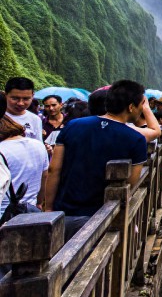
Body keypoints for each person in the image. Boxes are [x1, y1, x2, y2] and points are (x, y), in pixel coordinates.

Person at [45, 80, 149, 240]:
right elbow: (130, 184)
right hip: (101, 219)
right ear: (131, 107)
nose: (142, 109)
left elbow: (54, 170)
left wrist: (49, 209)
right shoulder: (136, 139)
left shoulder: (73, 125)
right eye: (142, 104)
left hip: (63, 213)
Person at [0, 97, 49, 216]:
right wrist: (39, 203)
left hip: (4, 217)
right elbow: (44, 177)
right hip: (28, 213)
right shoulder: (38, 145)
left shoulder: (2, 150)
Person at [4, 77, 43, 142]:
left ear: (32, 96)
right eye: (15, 98)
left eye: (26, 99)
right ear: (5, 95)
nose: (20, 103)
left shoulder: (35, 120)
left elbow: (38, 146)